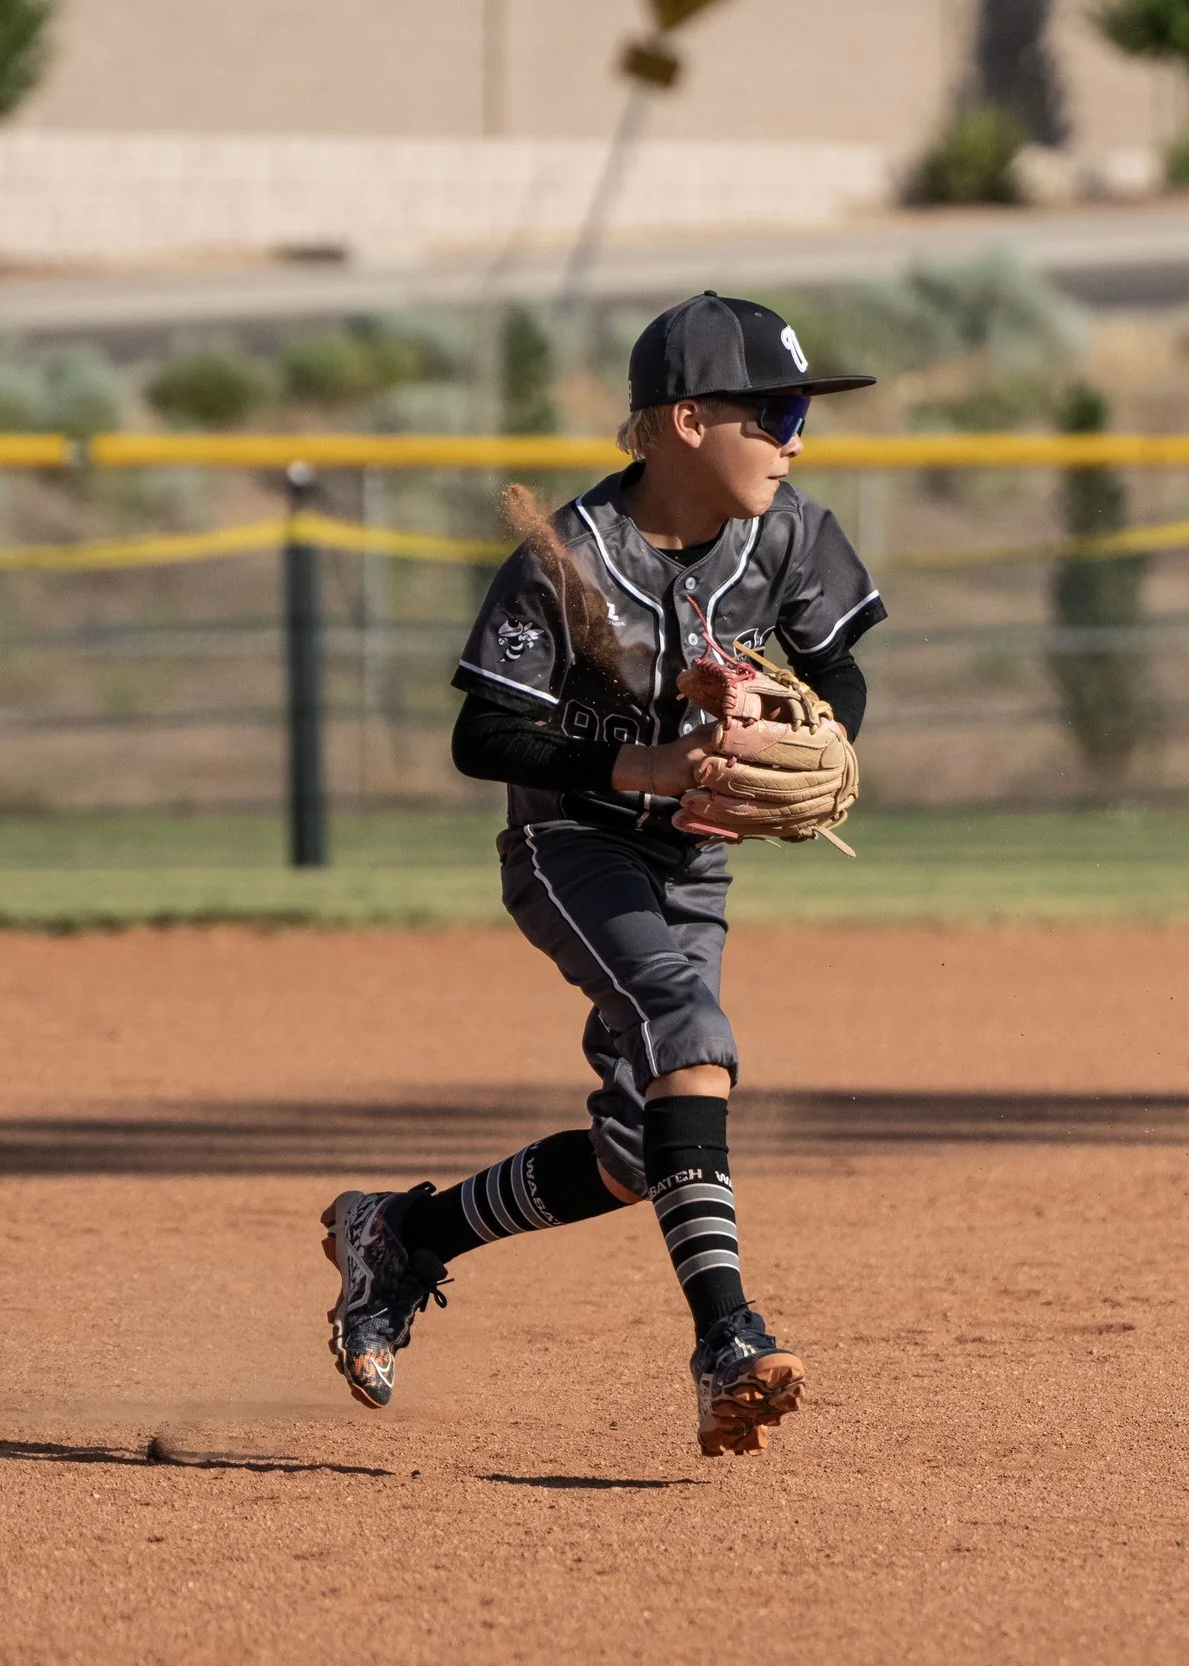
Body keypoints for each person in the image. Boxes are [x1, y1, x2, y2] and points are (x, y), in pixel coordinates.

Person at [319, 292, 883, 1457]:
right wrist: (648, 758)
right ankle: (728, 1335)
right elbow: (485, 738)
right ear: (686, 421)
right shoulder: (569, 554)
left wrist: (817, 737)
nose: (793, 438)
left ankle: (400, 1237)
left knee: (642, 1145)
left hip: (691, 861)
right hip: (569, 844)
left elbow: (838, 667)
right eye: (773, 410)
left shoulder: (790, 534)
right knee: (689, 1030)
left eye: (800, 416)